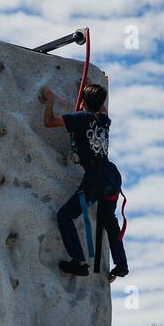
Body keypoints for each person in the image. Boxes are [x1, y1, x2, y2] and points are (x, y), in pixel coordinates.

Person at [41, 82, 128, 282]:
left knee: (65, 215)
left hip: (95, 177)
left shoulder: (80, 118)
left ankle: (79, 261)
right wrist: (89, 90)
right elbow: (102, 108)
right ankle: (121, 264)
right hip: (112, 176)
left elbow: (49, 122)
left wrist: (50, 99)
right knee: (109, 220)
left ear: (83, 102)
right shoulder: (104, 120)